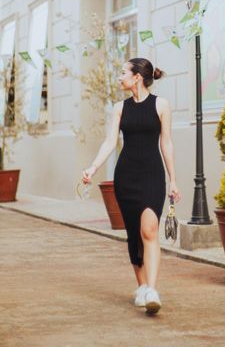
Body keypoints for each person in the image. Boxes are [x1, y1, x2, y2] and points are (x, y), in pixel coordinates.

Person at [82, 57, 181, 315]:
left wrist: (173, 179)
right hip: (126, 177)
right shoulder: (119, 108)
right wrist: (93, 167)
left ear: (137, 77)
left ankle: (152, 290)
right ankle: (141, 286)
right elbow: (110, 142)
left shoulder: (161, 105)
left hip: (152, 175)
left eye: (123, 72)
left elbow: (166, 143)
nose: (119, 77)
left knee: (150, 230)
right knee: (134, 234)